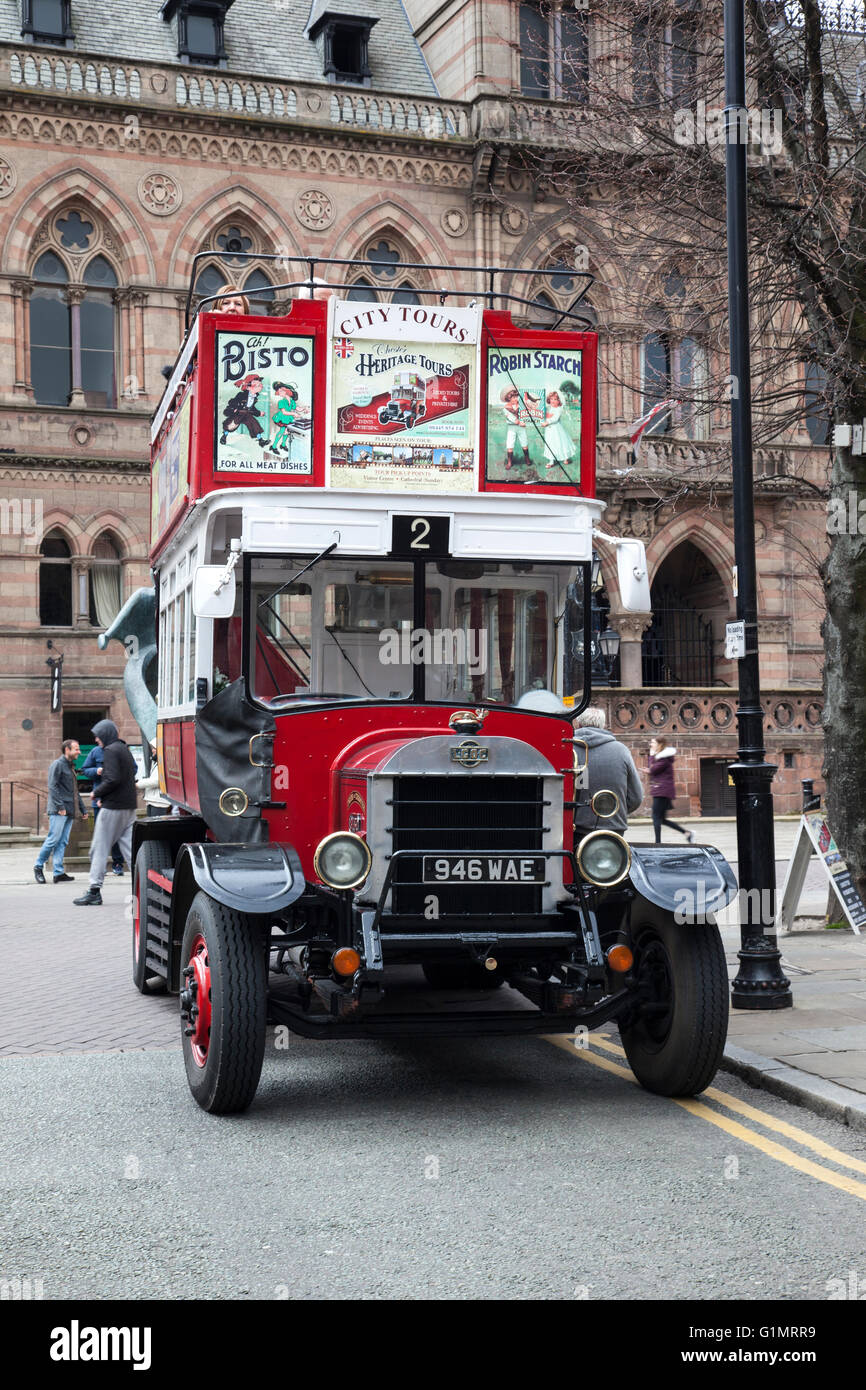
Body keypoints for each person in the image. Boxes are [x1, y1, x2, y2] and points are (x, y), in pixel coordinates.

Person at [73, 719, 138, 906]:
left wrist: (97, 793)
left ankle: (94, 890)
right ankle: (144, 889)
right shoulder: (124, 749)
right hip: (129, 806)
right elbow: (127, 776)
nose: (96, 740)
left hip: (113, 807)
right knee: (130, 851)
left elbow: (112, 779)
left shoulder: (109, 751)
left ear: (105, 734)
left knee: (98, 849)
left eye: (98, 736)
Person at [572, 708, 643, 837]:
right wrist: (614, 811)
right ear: (602, 725)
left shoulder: (568, 748)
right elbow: (636, 797)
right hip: (613, 828)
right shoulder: (621, 750)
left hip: (575, 828)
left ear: (579, 724)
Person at [34, 739, 87, 883]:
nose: (79, 752)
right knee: (53, 839)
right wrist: (60, 807)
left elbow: (74, 791)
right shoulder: (57, 764)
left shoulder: (70, 766)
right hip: (59, 810)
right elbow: (52, 786)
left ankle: (58, 872)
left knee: (62, 841)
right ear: (67, 750)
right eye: (76, 749)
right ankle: (38, 866)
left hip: (69, 809)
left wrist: (82, 809)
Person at [78, 742, 124, 875]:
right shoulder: (95, 751)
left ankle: (117, 863)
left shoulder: (121, 750)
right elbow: (85, 770)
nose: (97, 740)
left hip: (117, 799)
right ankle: (100, 866)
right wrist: (96, 771)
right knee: (100, 835)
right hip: (99, 800)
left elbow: (133, 769)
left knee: (116, 834)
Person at [648, 737, 695, 845]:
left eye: (653, 742)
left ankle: (658, 843)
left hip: (662, 790)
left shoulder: (663, 759)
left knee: (656, 817)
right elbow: (654, 770)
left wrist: (651, 756)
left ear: (659, 744)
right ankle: (687, 833)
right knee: (661, 819)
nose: (651, 744)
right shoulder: (661, 758)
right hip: (662, 790)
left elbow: (653, 769)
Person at [541, 391, 576, 472]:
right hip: (549, 430)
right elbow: (544, 415)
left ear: (559, 401)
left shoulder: (559, 409)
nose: (553, 401)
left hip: (556, 430)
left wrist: (547, 422)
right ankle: (551, 461)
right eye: (551, 399)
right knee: (550, 443)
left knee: (560, 443)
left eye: (555, 399)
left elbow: (555, 419)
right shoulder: (549, 408)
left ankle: (565, 457)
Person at [136, 744, 172, 817]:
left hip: (159, 802)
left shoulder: (165, 763)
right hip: (152, 800)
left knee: (157, 823)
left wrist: (138, 784)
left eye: (155, 748)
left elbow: (157, 781)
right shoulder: (157, 762)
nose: (152, 750)